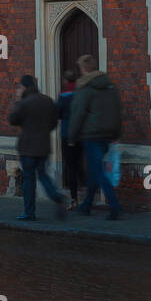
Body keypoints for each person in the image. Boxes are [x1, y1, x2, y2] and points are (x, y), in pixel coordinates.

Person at [67, 54, 123, 219]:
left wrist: (71, 137)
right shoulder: (110, 87)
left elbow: (78, 113)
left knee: (98, 171)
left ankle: (115, 206)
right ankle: (86, 205)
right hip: (108, 134)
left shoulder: (85, 88)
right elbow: (117, 110)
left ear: (83, 68)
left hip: (92, 135)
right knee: (94, 171)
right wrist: (116, 133)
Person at [8, 74, 67, 222]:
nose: (18, 90)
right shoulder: (47, 101)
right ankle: (57, 197)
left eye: (20, 87)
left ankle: (29, 212)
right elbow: (54, 122)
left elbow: (13, 119)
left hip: (28, 147)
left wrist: (17, 101)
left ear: (25, 87)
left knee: (28, 179)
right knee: (43, 175)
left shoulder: (24, 103)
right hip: (44, 146)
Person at [56, 65, 84, 207]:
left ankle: (74, 198)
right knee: (80, 162)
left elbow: (57, 113)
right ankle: (86, 188)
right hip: (82, 132)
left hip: (67, 134)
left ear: (65, 81)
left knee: (70, 165)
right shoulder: (81, 93)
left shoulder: (63, 95)